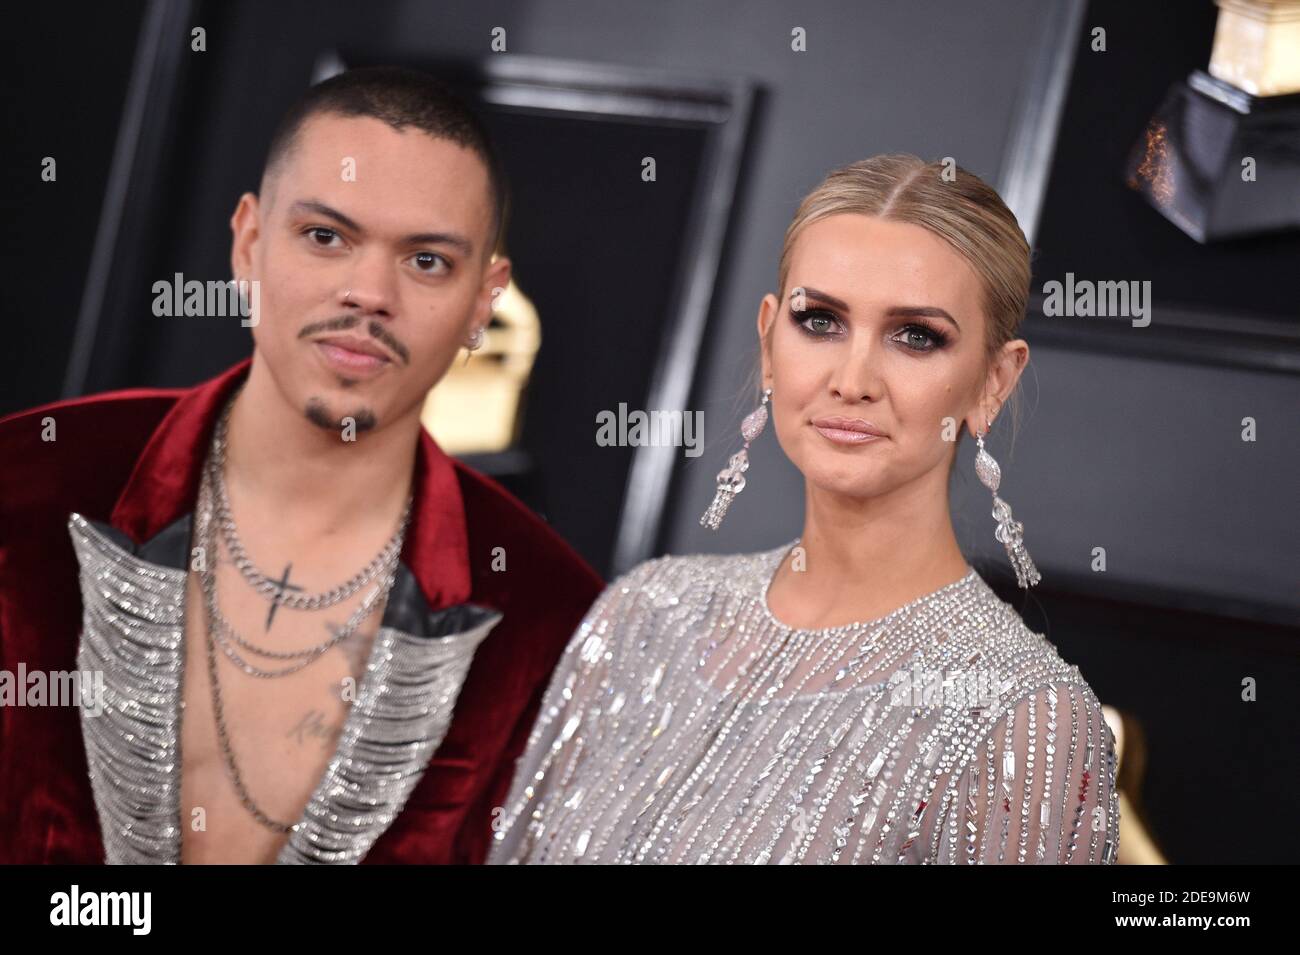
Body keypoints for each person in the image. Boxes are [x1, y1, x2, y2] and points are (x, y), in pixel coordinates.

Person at [0, 66, 603, 864]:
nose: (367, 292)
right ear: (249, 244)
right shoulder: (25, 484)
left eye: (426, 261)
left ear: (481, 304)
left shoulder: (559, 626)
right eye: (326, 236)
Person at [488, 155, 1120, 864]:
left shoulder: (1026, 715)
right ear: (768, 341)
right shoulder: (646, 615)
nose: (852, 380)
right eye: (819, 321)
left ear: (993, 382)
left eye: (916, 335)